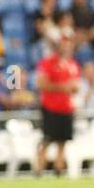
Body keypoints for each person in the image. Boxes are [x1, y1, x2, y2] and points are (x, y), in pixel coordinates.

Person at [35, 26, 80, 176]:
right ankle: (39, 169)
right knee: (46, 140)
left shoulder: (72, 64)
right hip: (50, 107)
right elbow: (41, 84)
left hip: (66, 108)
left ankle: (59, 170)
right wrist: (63, 87)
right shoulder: (48, 63)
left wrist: (72, 88)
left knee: (63, 142)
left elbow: (75, 86)